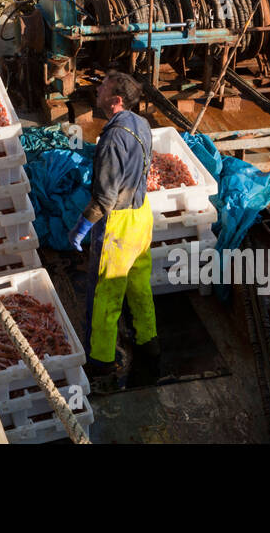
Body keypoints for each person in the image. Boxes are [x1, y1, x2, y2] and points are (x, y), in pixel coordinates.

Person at [69, 70, 160, 390]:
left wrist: (81, 227)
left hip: (119, 226)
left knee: (105, 296)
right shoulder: (142, 124)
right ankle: (149, 345)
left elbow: (105, 197)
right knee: (139, 287)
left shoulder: (112, 137)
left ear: (116, 100)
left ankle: (101, 364)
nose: (97, 92)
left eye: (102, 89)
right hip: (142, 216)